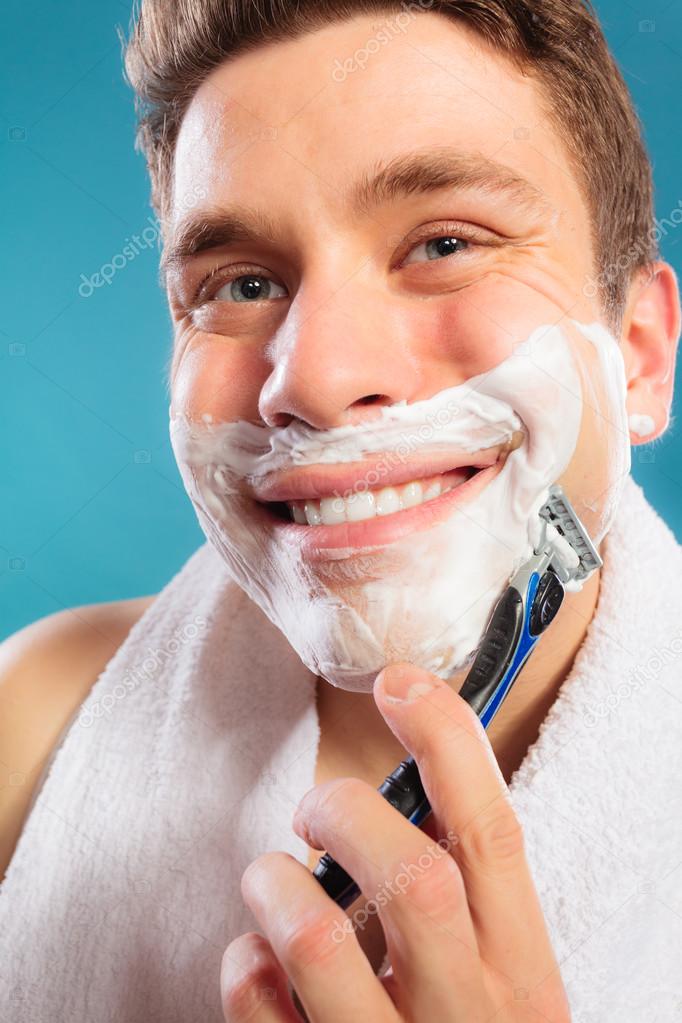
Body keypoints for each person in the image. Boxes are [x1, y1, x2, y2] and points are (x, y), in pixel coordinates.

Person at [1, 2, 680, 1020]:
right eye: (241, 282)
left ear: (638, 356)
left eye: (444, 242)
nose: (313, 378)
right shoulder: (33, 721)